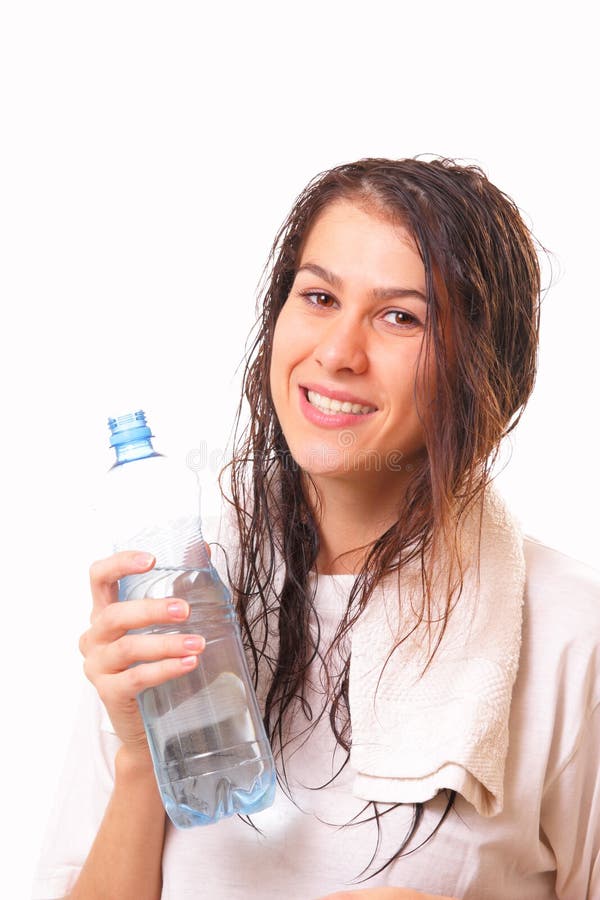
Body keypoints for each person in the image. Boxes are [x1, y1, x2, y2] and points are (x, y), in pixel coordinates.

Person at [33, 158, 600, 900]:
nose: (337, 353)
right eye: (320, 296)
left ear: (482, 365)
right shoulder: (181, 594)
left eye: (402, 316)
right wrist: (143, 758)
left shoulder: (567, 634)